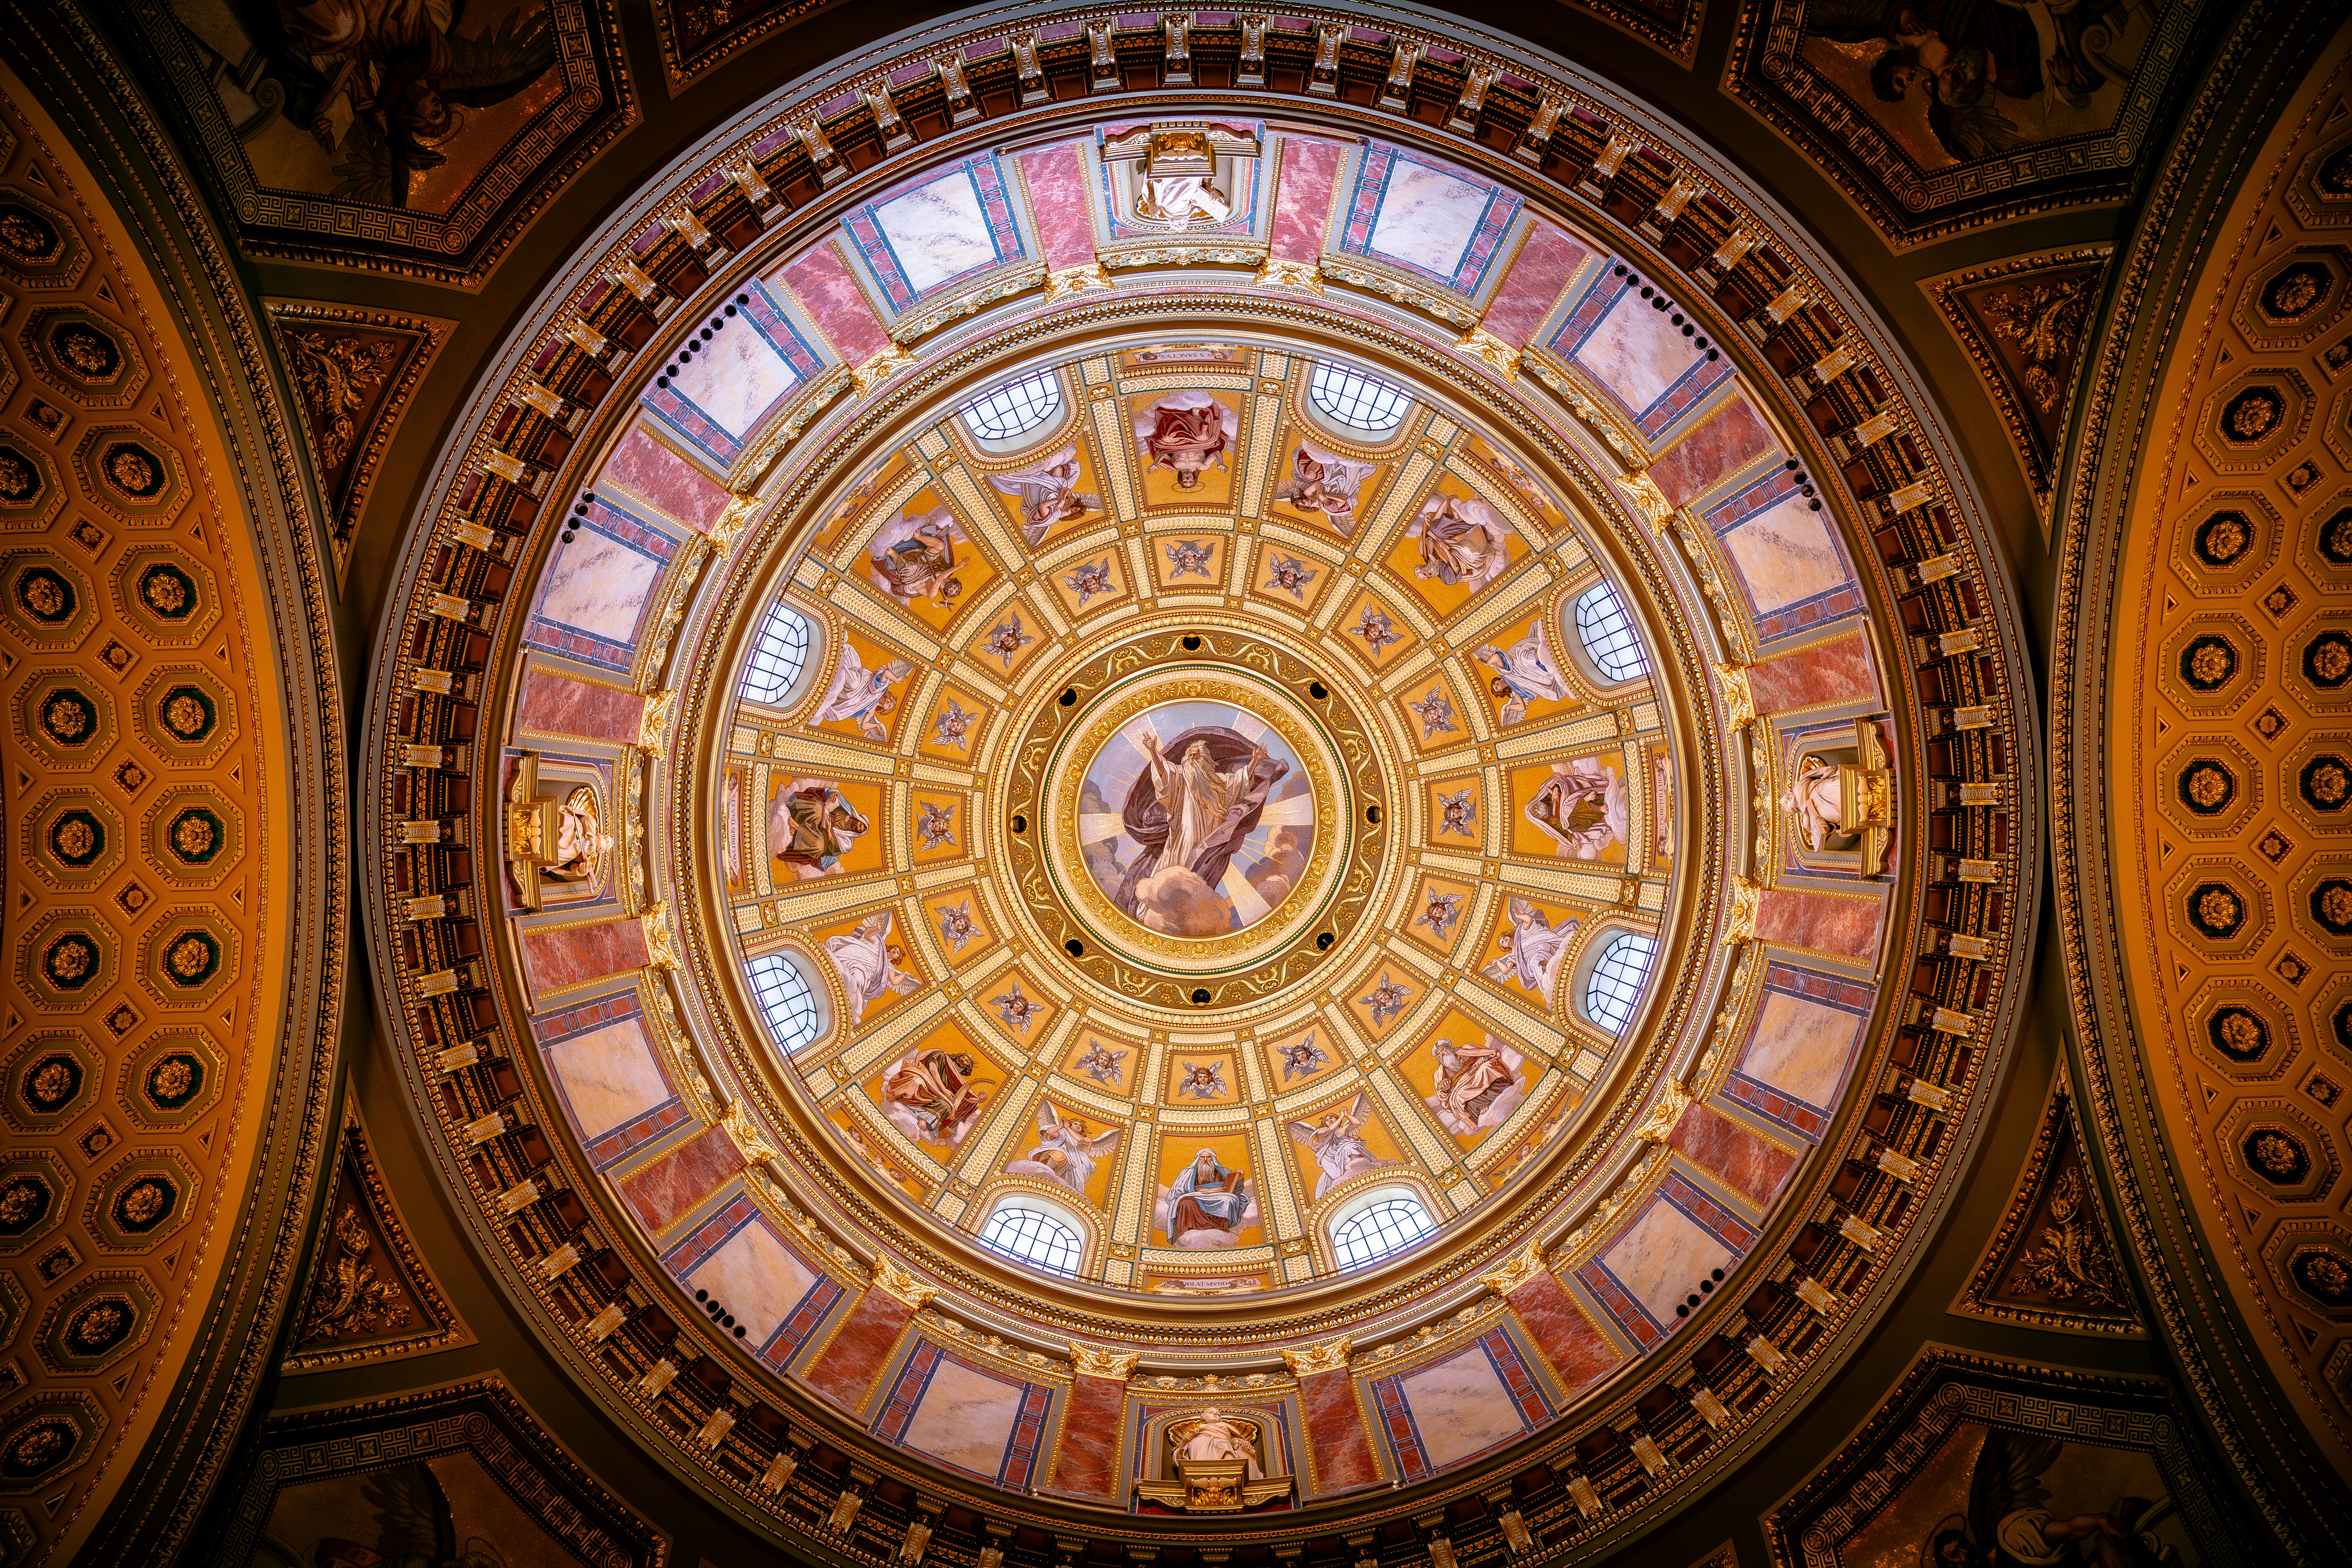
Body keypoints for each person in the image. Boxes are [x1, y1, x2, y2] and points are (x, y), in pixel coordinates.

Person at [824, 913, 918, 1021]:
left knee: (859, 979)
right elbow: (868, 934)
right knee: (835, 959)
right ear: (891, 948)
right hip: (853, 954)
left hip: (864, 970)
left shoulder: (889, 967)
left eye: (898, 953)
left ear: (898, 958)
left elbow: (895, 981)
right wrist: (877, 928)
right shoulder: (879, 944)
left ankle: (842, 1002)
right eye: (895, 949)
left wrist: (905, 974)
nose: (896, 951)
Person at [1165, 1149, 1251, 1243]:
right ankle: (1189, 1229)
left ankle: (1221, 1228)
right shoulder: (1187, 1173)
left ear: (1213, 1159)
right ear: (1198, 1159)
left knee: (1228, 1199)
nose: (1206, 1159)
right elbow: (1179, 1190)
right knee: (1186, 1202)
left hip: (1219, 1196)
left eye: (1209, 1157)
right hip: (1195, 1196)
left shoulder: (1223, 1171)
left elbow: (1235, 1190)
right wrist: (1207, 1191)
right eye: (1203, 1157)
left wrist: (1240, 1178)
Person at [1175, 1409, 1263, 1476]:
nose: (1215, 1414)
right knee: (1199, 1442)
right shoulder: (1196, 1431)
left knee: (1224, 1446)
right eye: (1211, 1413)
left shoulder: (1225, 1426)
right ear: (1204, 1418)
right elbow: (1178, 1455)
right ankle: (1200, 1469)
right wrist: (1185, 1441)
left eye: (1217, 1414)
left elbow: (1236, 1441)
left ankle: (1229, 1469)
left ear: (1220, 1419)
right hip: (1199, 1451)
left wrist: (1245, 1445)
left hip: (1225, 1447)